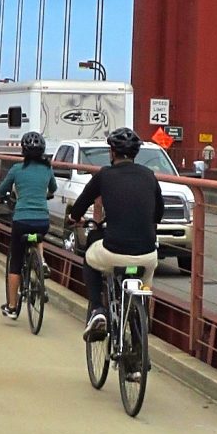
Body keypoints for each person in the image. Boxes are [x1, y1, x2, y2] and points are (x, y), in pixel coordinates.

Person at [67, 126, 163, 342]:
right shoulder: (149, 175)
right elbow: (159, 213)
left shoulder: (104, 175)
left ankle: (98, 309)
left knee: (90, 260)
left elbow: (80, 205)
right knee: (144, 284)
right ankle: (139, 351)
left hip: (114, 251)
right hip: (147, 255)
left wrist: (74, 218)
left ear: (112, 152)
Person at [0, 132, 57, 320]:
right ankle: (41, 262)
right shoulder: (47, 170)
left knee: (15, 262)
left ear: (23, 150)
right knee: (38, 236)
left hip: (21, 220)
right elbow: (53, 189)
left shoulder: (16, 169)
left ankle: (13, 307)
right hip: (42, 221)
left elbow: (2, 189)